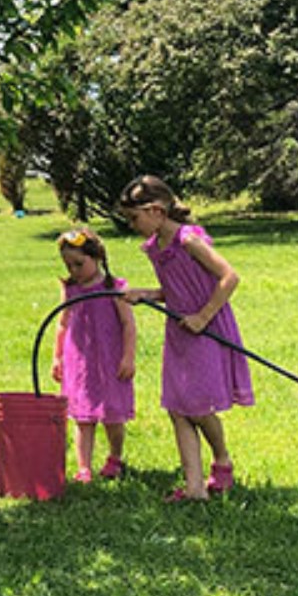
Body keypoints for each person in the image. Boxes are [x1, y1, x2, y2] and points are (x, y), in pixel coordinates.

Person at [119, 175, 254, 502]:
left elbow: (229, 277)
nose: (132, 226)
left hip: (207, 328)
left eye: (134, 218)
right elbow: (177, 289)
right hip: (180, 332)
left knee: (199, 406)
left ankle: (222, 461)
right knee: (178, 408)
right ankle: (195, 488)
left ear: (156, 210)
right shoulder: (155, 249)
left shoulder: (188, 240)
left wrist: (203, 317)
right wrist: (148, 294)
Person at [51, 227, 137, 483]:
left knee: (113, 415)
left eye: (79, 264)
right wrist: (57, 357)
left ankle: (115, 457)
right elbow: (62, 324)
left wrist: (128, 357)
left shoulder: (114, 288)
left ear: (97, 257)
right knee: (82, 416)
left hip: (110, 360)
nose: (74, 270)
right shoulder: (71, 289)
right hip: (80, 362)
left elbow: (128, 324)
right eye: (68, 265)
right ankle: (84, 467)